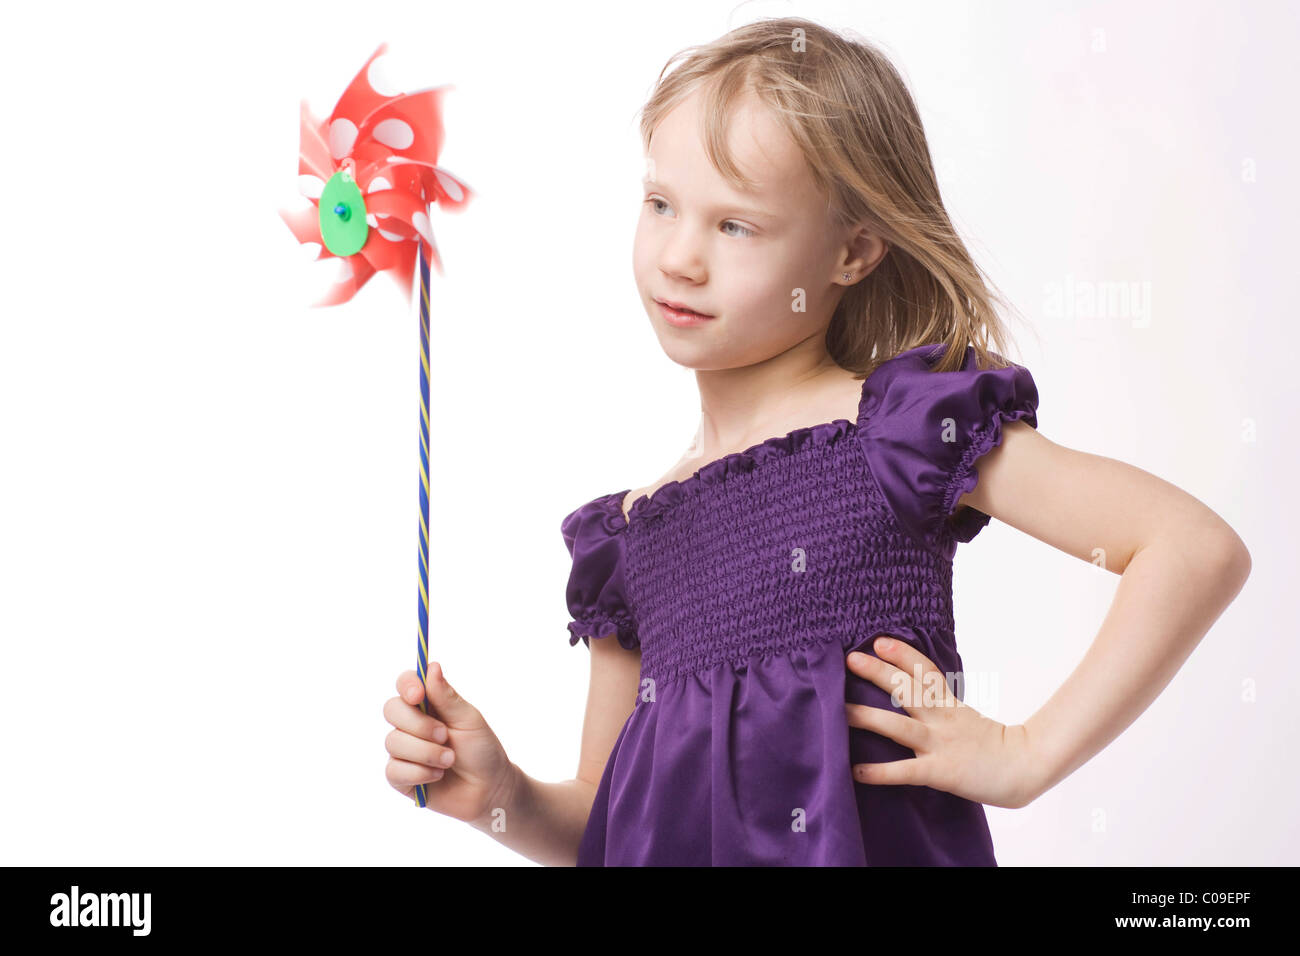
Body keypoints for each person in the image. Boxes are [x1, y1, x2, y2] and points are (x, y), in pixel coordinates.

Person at [380, 17, 1251, 865]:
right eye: (660, 204)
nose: (680, 256)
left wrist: (1023, 755)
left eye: (735, 225)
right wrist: (503, 798)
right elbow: (612, 830)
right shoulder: (629, 542)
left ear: (853, 252)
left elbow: (1189, 547)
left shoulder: (896, 437)